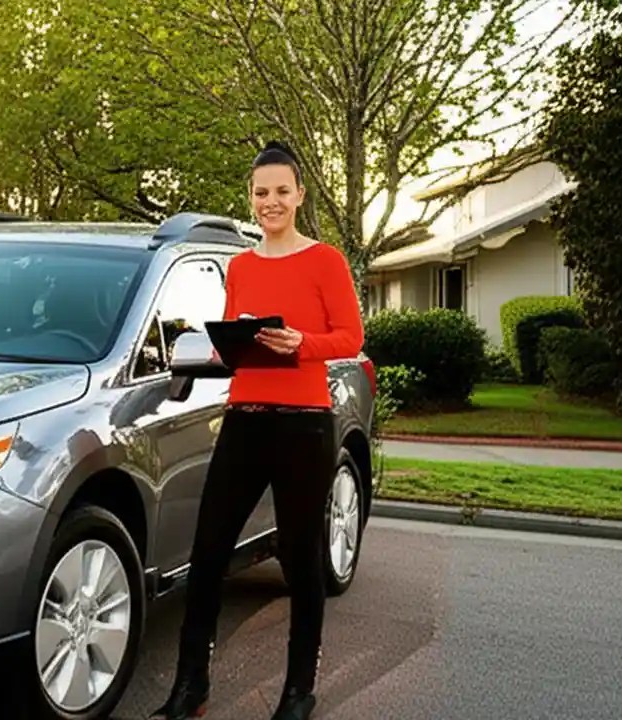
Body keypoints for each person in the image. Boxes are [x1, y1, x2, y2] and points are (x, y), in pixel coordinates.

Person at [149, 141, 364, 720]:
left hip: (305, 426)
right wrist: (224, 345)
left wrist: (301, 343)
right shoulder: (240, 267)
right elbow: (238, 345)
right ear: (251, 197)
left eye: (281, 192)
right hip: (244, 419)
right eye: (261, 192)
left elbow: (351, 337)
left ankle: (298, 691)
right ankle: (190, 686)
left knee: (299, 557)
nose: (271, 201)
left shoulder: (326, 261)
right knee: (209, 551)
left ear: (299, 196)